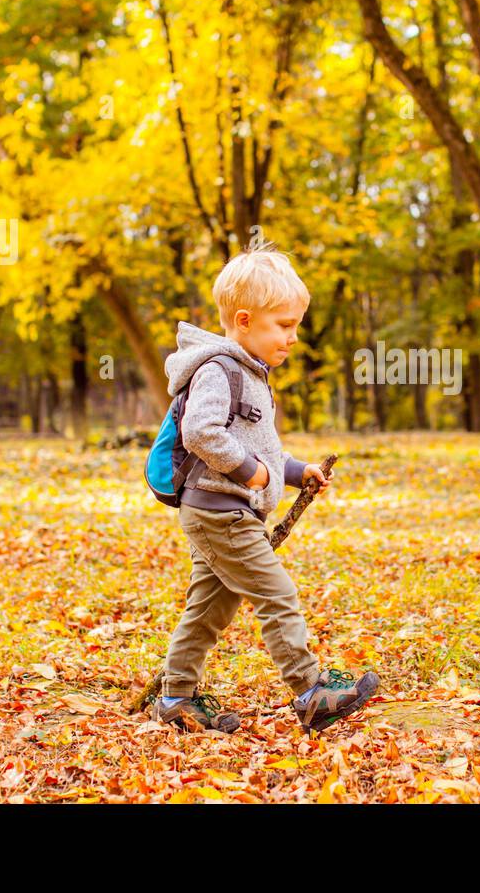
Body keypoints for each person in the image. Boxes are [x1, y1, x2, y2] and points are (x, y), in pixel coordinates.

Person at [154, 238, 379, 735]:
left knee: (207, 611)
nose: (293, 338)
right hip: (220, 510)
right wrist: (246, 471)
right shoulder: (219, 370)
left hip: (226, 511)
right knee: (278, 594)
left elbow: (261, 449)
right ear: (243, 321)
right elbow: (200, 432)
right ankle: (310, 691)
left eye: (295, 325)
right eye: (284, 325)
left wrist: (295, 471)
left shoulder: (253, 375)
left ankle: (175, 697)